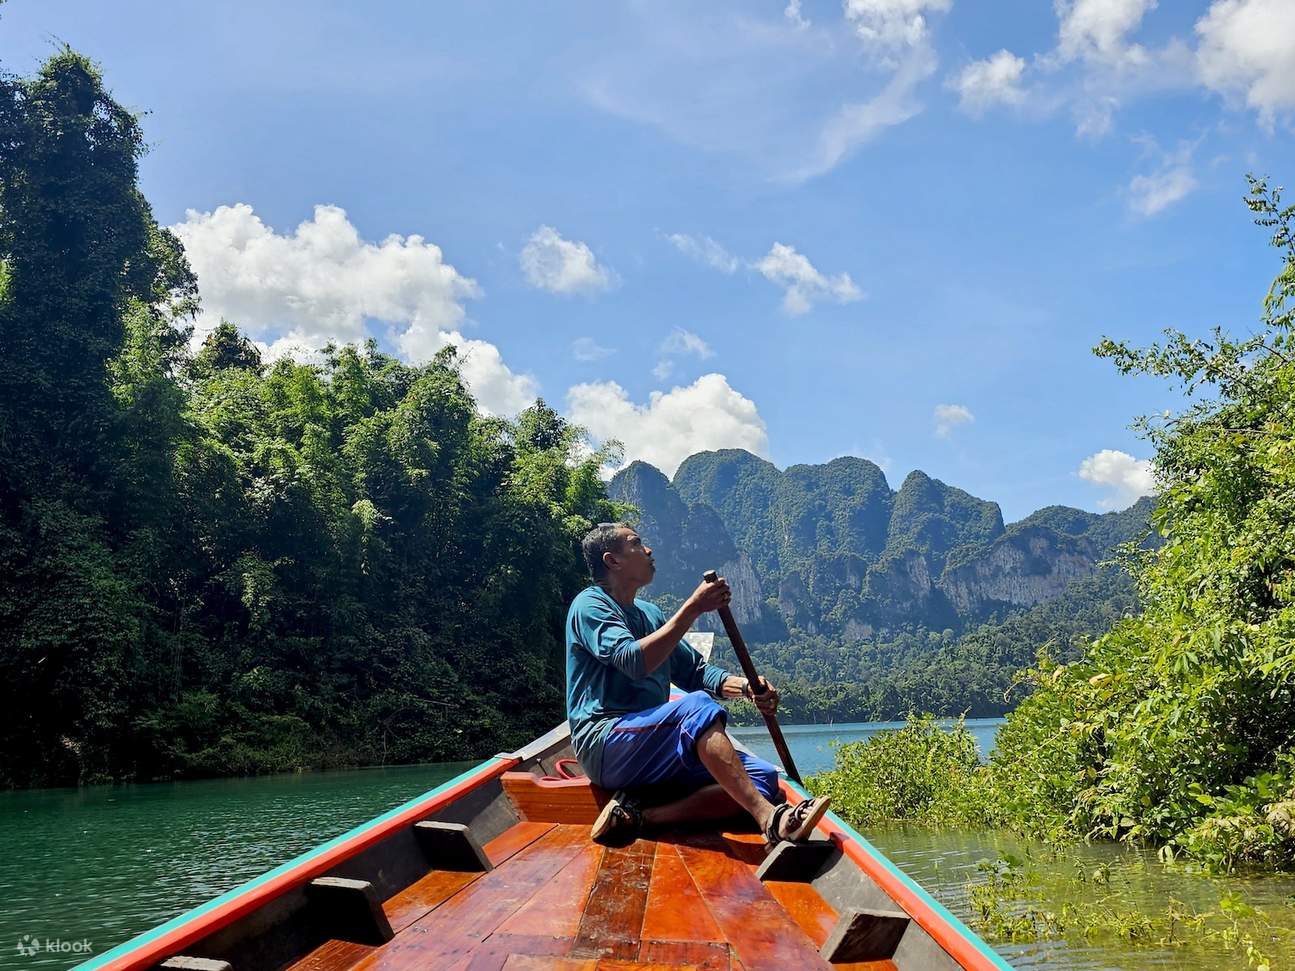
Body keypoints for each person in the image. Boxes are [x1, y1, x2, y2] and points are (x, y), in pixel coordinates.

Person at [566, 522, 830, 847]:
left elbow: (696, 673)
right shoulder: (589, 605)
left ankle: (638, 818)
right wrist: (693, 608)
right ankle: (770, 820)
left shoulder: (649, 613)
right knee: (697, 708)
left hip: (654, 744)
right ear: (613, 560)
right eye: (636, 544)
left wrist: (747, 688)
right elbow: (633, 661)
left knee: (763, 778)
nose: (648, 550)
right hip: (607, 745)